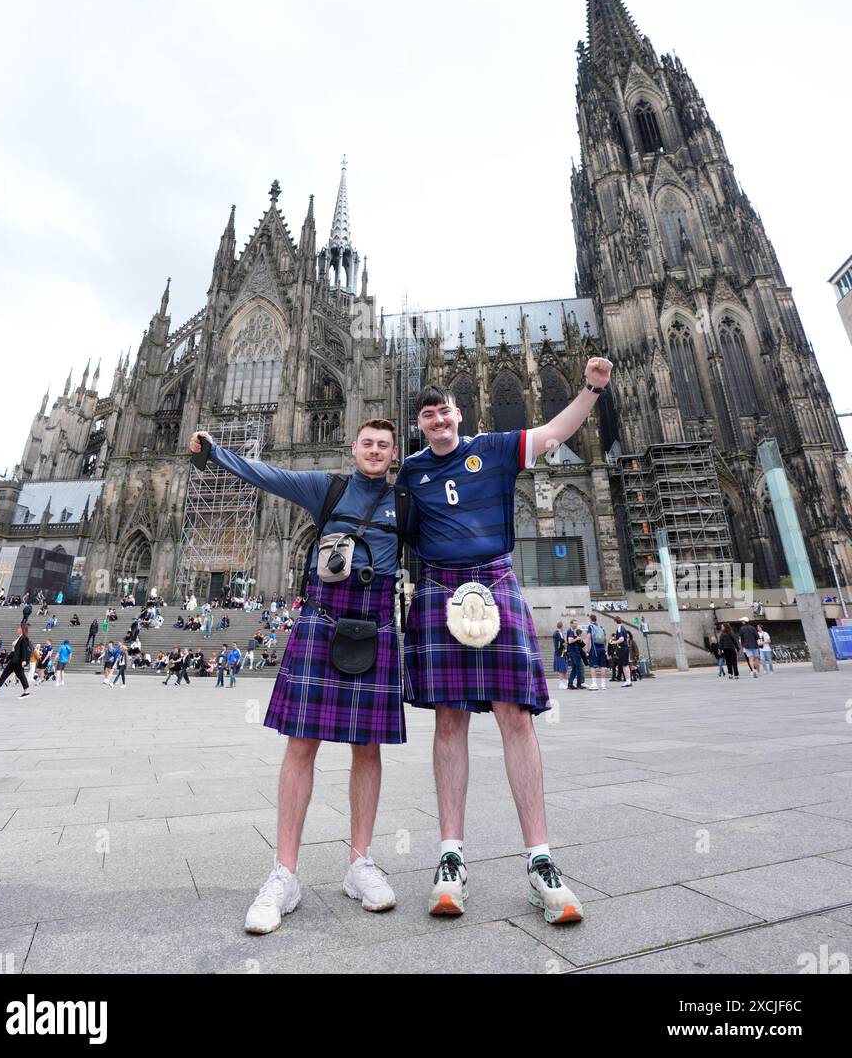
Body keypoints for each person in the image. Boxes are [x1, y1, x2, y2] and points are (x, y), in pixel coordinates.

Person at [395, 355, 612, 925]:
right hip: (440, 591)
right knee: (449, 720)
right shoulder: (410, 471)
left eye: (444, 411)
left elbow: (555, 432)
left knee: (517, 718)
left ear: (458, 413)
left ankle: (541, 860)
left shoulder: (492, 447)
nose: (438, 420)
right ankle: (450, 858)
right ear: (419, 423)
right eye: (428, 415)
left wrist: (592, 388)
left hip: (494, 579)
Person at [191, 418, 405, 935]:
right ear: (354, 448)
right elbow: (267, 475)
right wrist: (214, 454)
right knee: (300, 745)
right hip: (323, 623)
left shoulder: (408, 503)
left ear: (394, 454)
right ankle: (284, 874)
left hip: (374, 627)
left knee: (367, 748)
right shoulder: (325, 488)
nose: (375, 451)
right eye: (367, 443)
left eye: (384, 445)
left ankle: (360, 865)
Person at [0, 625, 32, 700]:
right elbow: (14, 651)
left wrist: (24, 660)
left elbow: (24, 650)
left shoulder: (24, 638)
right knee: (21, 676)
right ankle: (27, 691)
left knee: (4, 676)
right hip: (15, 660)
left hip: (17, 661)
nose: (18, 629)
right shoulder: (20, 638)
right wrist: (7, 659)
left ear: (22, 630)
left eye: (19, 628)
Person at [584, 613, 608, 690]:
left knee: (592, 666)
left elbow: (588, 638)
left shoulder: (591, 626)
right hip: (602, 649)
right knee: (602, 666)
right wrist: (605, 648)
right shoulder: (601, 627)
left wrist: (587, 649)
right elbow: (605, 639)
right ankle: (603, 685)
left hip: (594, 649)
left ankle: (594, 684)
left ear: (590, 619)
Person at [565, 619, 586, 691]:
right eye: (575, 624)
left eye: (576, 624)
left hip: (573, 652)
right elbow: (570, 641)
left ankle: (570, 684)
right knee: (578, 668)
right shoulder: (570, 631)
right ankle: (579, 684)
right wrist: (577, 638)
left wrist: (577, 639)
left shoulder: (571, 631)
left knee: (574, 669)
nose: (576, 625)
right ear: (571, 624)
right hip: (574, 652)